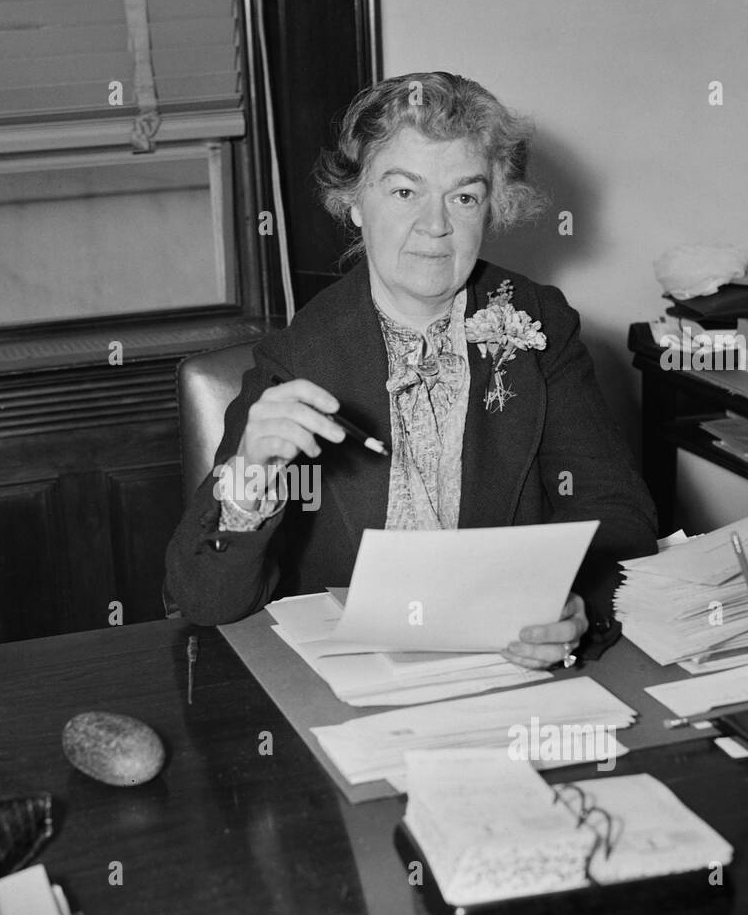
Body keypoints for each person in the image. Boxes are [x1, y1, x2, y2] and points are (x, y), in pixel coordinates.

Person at [165, 71, 657, 668]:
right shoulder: (300, 356)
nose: (436, 225)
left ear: (491, 208)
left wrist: (577, 601)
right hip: (354, 678)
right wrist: (250, 476)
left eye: (464, 196)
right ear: (353, 204)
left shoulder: (538, 322)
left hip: (510, 665)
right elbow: (202, 600)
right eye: (405, 192)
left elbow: (614, 509)